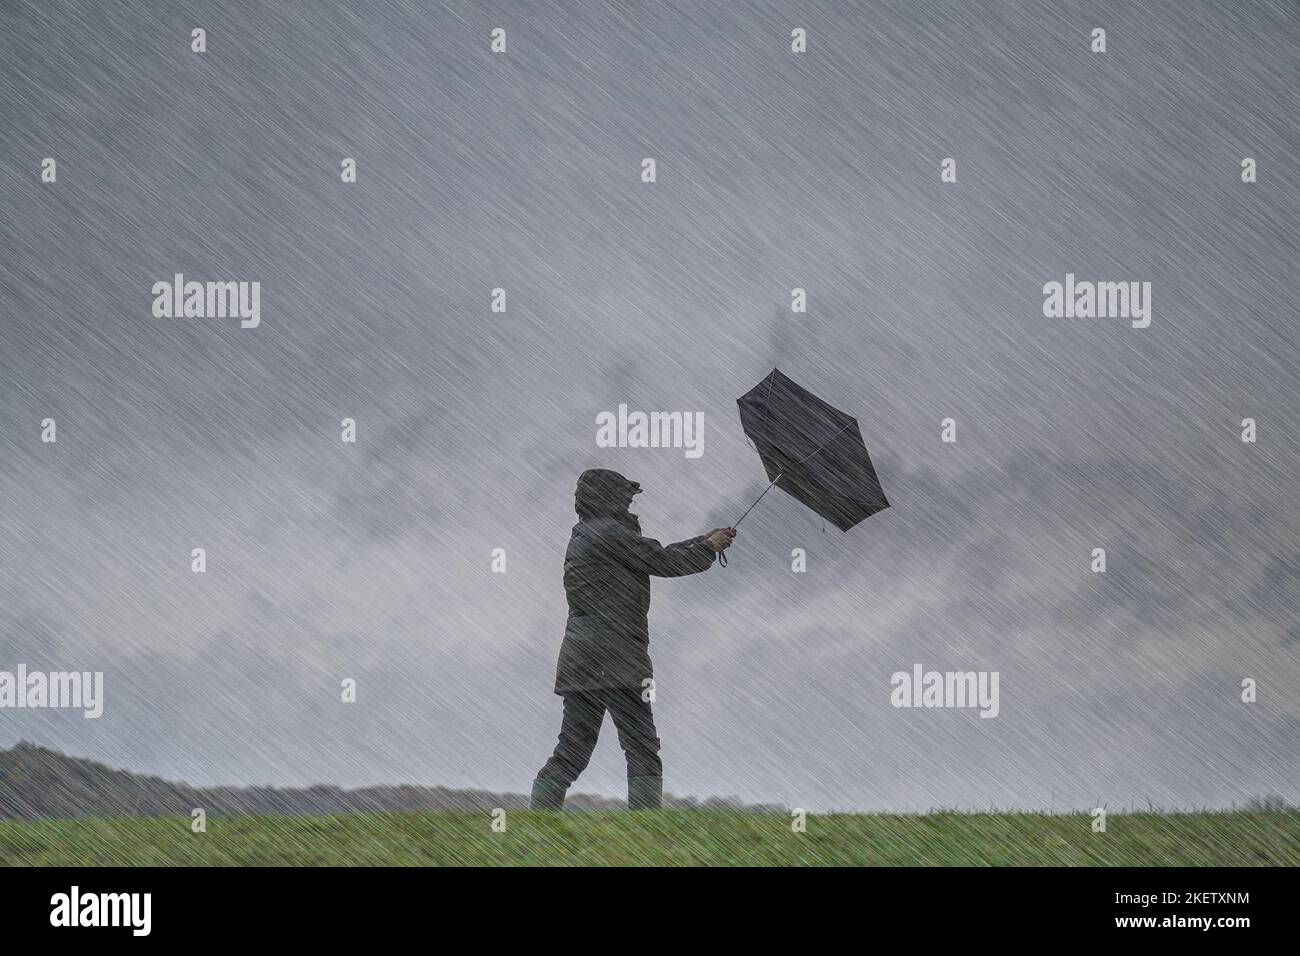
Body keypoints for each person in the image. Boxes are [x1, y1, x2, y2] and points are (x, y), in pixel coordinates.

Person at [530, 468, 735, 811]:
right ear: (610, 499)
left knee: (573, 749)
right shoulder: (612, 534)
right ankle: (646, 831)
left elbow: (652, 553)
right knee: (642, 747)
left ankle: (538, 822)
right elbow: (664, 561)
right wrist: (709, 548)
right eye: (625, 495)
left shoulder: (587, 534)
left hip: (583, 659)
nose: (629, 501)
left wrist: (703, 541)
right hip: (619, 659)